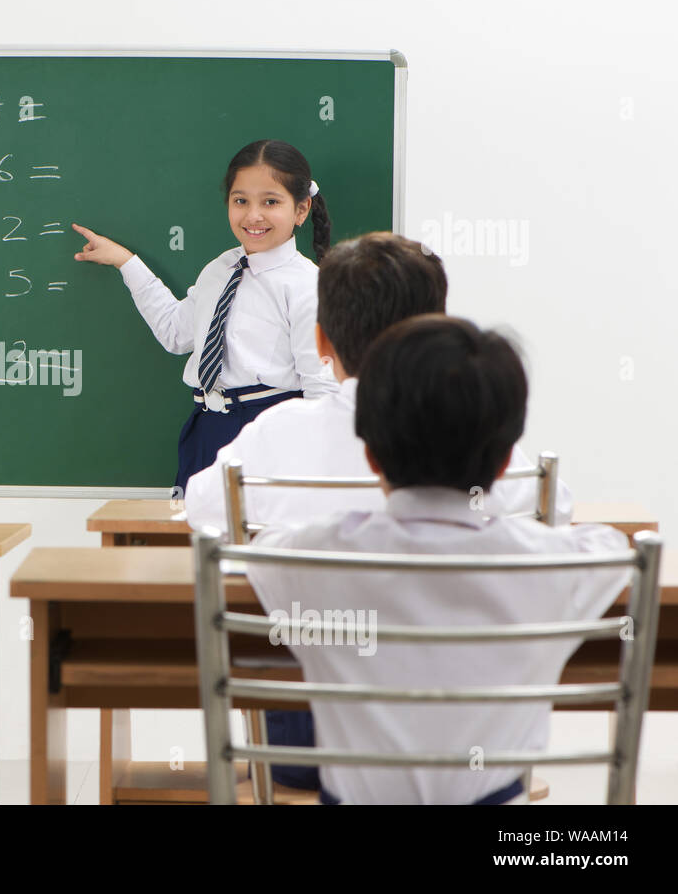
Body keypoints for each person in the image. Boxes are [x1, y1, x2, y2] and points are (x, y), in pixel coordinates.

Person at [245, 316, 630, 804]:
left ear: (371, 456)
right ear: (508, 460)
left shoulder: (309, 560)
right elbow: (611, 546)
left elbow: (267, 544)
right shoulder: (553, 565)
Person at [185, 232, 573, 535]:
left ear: (321, 341)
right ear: (436, 330)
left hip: (305, 632)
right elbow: (554, 512)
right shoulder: (480, 435)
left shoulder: (273, 434)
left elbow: (201, 511)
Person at [74, 139, 337, 493]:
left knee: (256, 542)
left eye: (270, 202)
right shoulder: (221, 267)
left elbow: (321, 386)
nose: (253, 215)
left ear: (301, 210)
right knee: (195, 541)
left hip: (268, 432)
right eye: (240, 201)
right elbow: (175, 333)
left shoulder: (307, 285)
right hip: (206, 429)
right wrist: (126, 262)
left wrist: (310, 471)